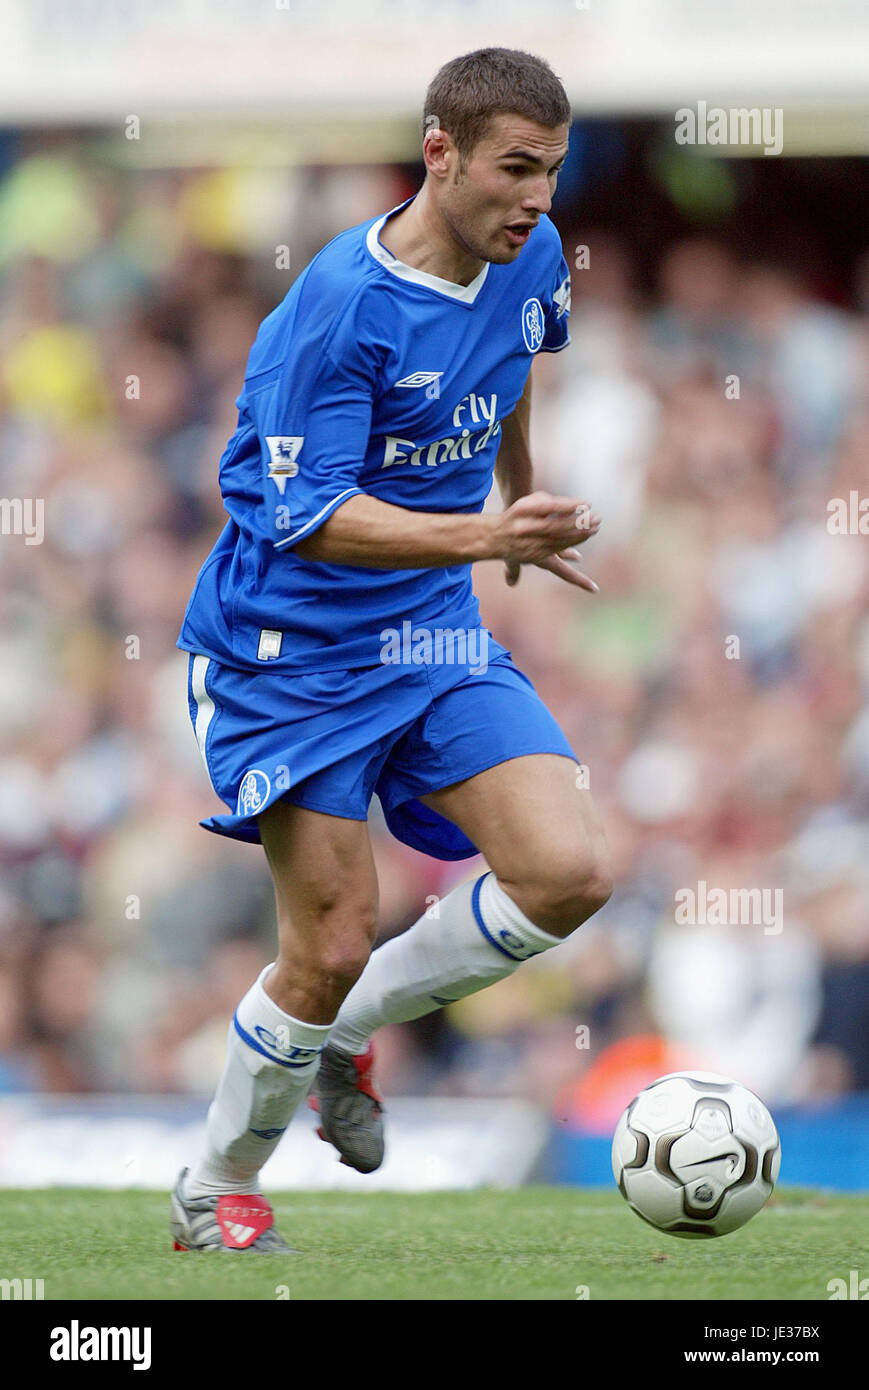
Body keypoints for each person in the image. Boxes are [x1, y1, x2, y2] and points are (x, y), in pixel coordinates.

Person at [171, 46, 613, 1253]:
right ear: (440, 152)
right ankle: (214, 1186)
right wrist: (481, 530)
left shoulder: (526, 255)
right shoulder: (336, 308)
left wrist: (519, 503)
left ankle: (345, 1030)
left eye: (551, 171)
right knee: (323, 944)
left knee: (568, 872)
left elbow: (513, 355)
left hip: (431, 638)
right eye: (515, 169)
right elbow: (309, 516)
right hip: (289, 656)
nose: (535, 197)